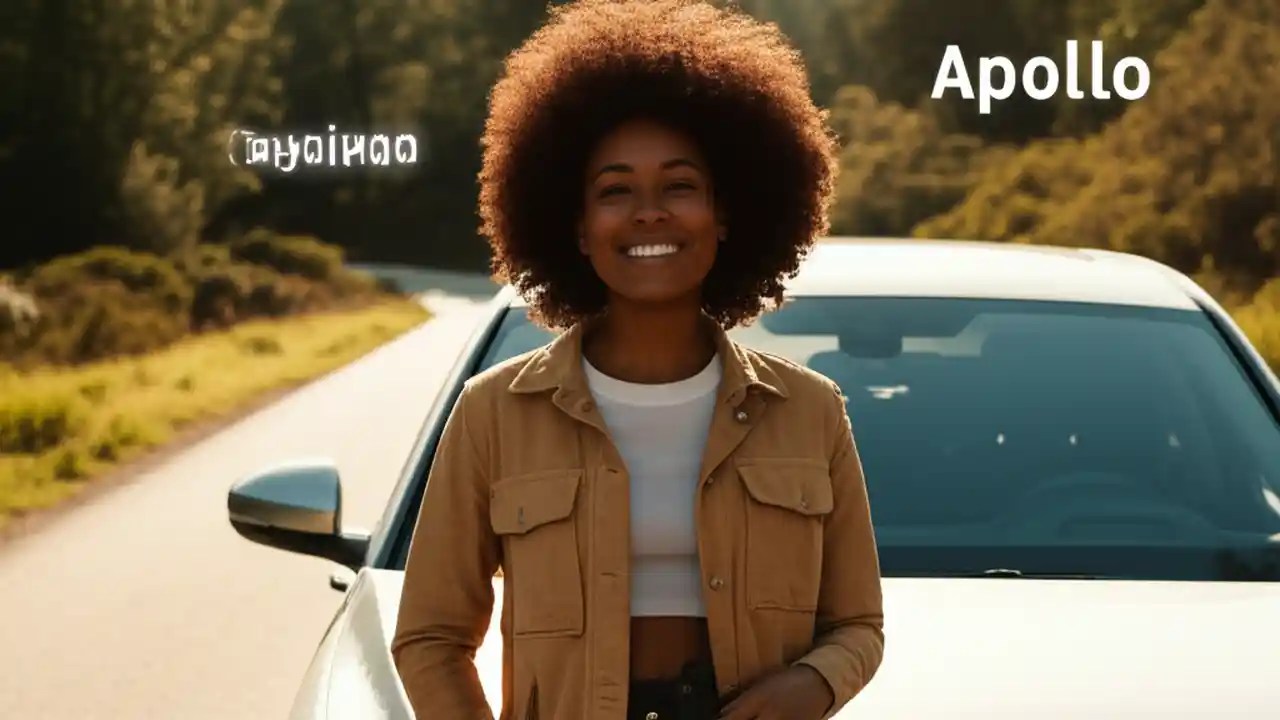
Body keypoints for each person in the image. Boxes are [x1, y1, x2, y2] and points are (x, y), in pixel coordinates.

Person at [391, 1, 885, 718]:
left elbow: (858, 626)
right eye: (615, 191)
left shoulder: (809, 413)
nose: (649, 212)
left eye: (680, 186)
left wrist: (812, 685)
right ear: (579, 230)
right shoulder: (493, 414)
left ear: (724, 214)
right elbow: (431, 638)